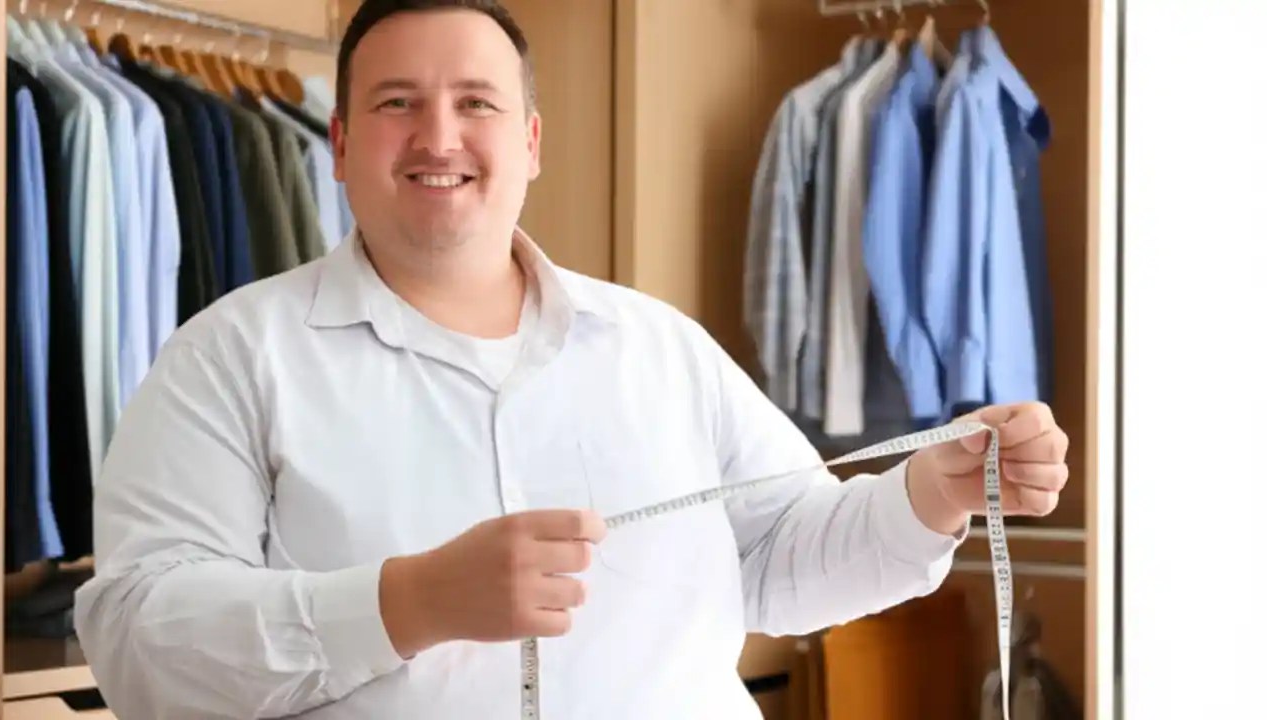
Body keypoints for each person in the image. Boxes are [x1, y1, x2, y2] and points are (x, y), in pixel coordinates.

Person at [72, 1, 1071, 717]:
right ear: (335, 144)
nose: (437, 135)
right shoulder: (227, 359)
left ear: (532, 141)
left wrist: (928, 494)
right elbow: (136, 646)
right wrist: (402, 603)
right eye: (393, 104)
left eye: (476, 102)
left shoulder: (657, 345)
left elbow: (779, 562)